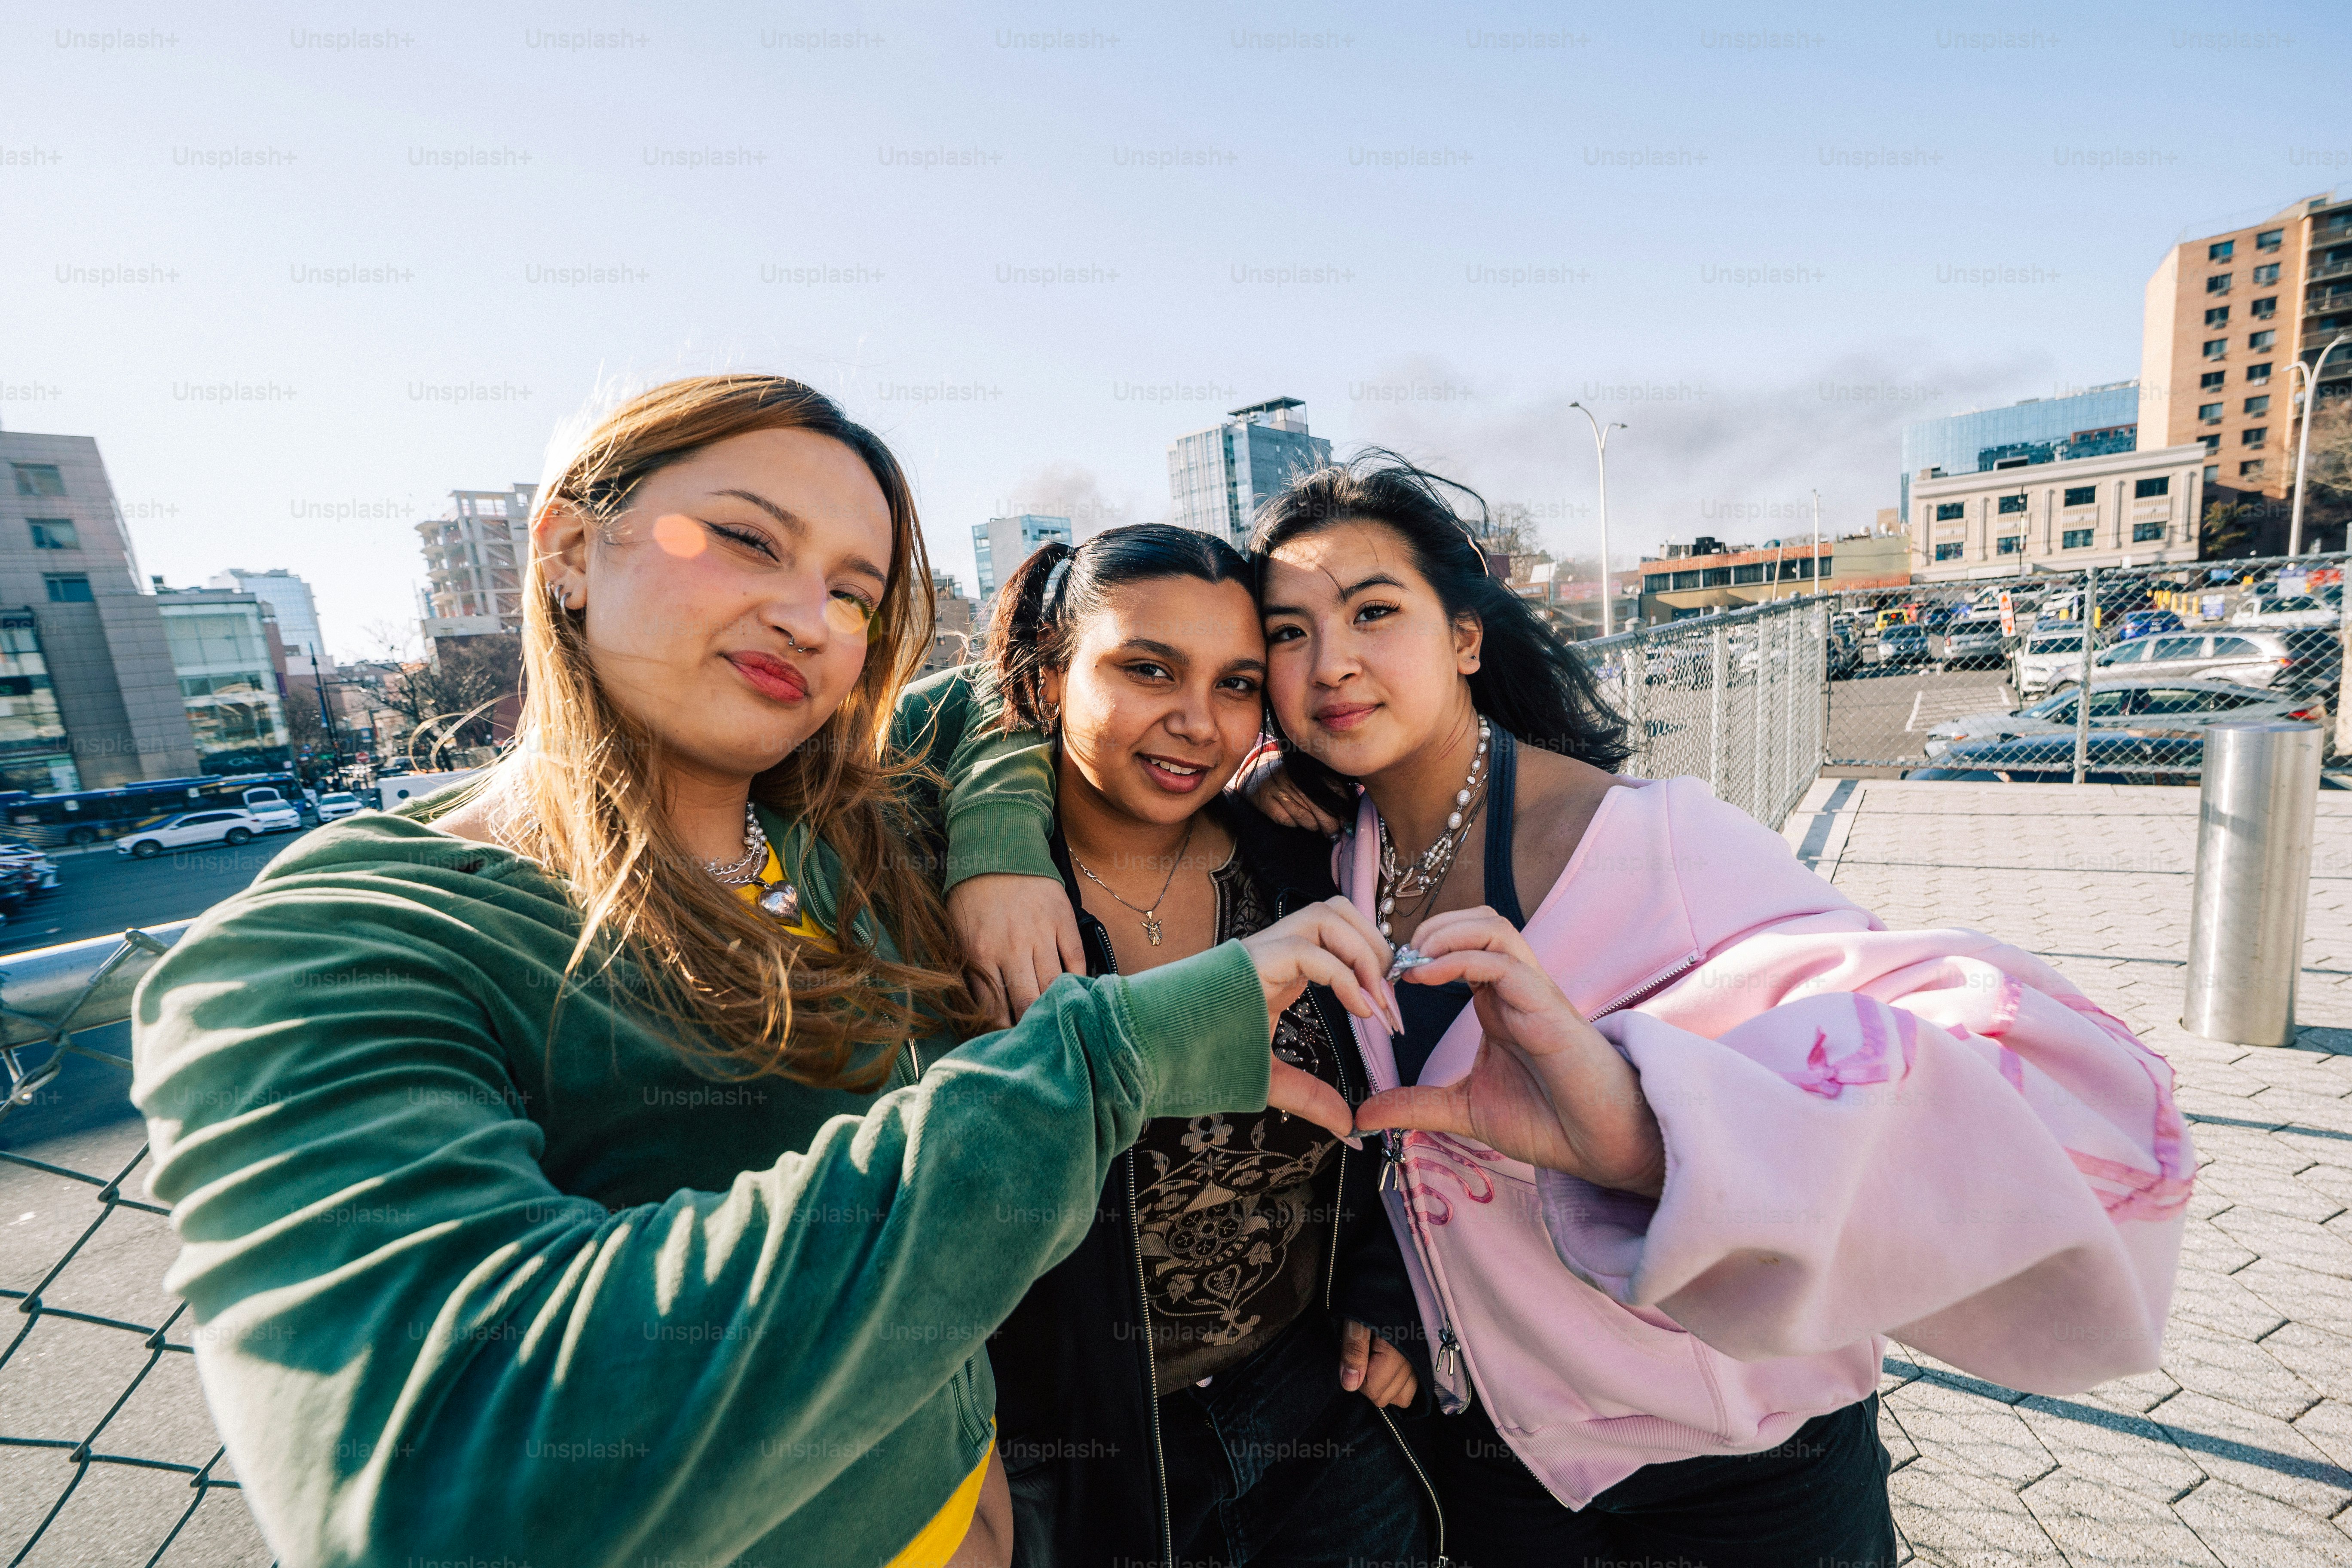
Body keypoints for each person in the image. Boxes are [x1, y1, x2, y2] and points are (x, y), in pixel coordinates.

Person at [126, 376, 1400, 1568]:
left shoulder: (841, 842)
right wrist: (1116, 1058)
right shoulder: (335, 946)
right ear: (569, 549)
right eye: (746, 540)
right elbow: (434, 1480)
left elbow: (987, 708)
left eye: (855, 592)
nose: (808, 616)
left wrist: (1002, 842)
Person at [1240, 453, 2191, 1568]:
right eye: (1290, 633)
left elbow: (1977, 1045)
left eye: (1373, 611)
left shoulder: (1657, 844)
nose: (1333, 662)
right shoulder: (1334, 853)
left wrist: (1644, 1137)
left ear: (1465, 636)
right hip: (1503, 1459)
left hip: (1738, 1466)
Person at [924, 526, 1438, 1568]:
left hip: (1323, 1422)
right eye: (1147, 669)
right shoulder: (961, 901)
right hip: (1087, 1458)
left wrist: (1391, 1300)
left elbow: (1398, 1090)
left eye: (1238, 683)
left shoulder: (1304, 860)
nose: (1197, 724)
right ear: (1051, 672)